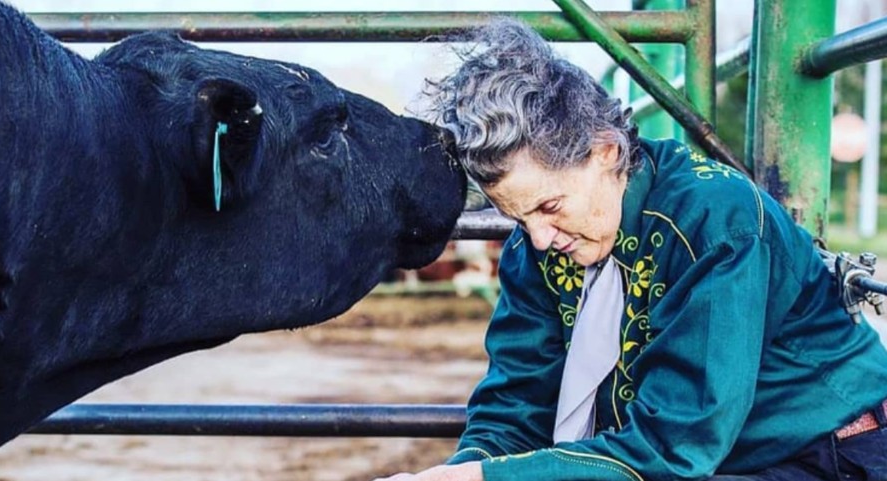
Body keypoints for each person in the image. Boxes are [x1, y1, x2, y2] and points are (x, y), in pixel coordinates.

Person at [373, 19, 887, 481]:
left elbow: (674, 448)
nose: (539, 238)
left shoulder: (715, 223)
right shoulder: (536, 247)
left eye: (550, 206)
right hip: (711, 461)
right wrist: (461, 471)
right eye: (518, 217)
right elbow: (514, 407)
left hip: (827, 456)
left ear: (605, 150)